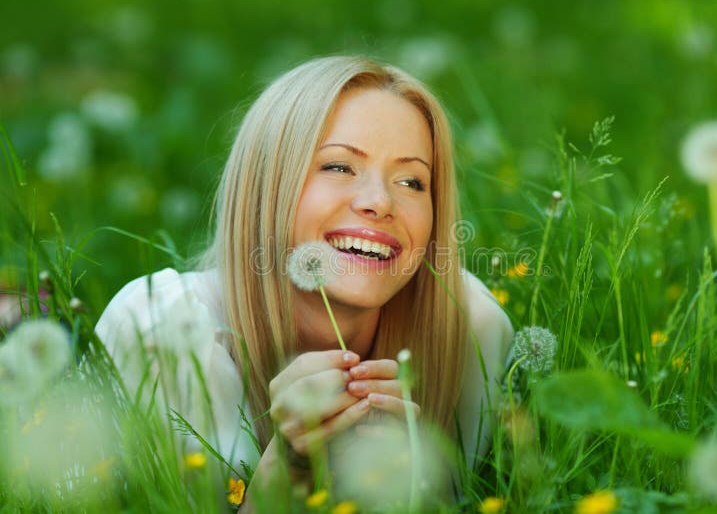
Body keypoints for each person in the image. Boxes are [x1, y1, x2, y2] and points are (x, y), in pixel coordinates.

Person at [95, 56, 512, 506]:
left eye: (412, 181)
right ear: (267, 185)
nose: (379, 201)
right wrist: (289, 466)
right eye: (339, 167)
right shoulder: (167, 330)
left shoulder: (469, 330)